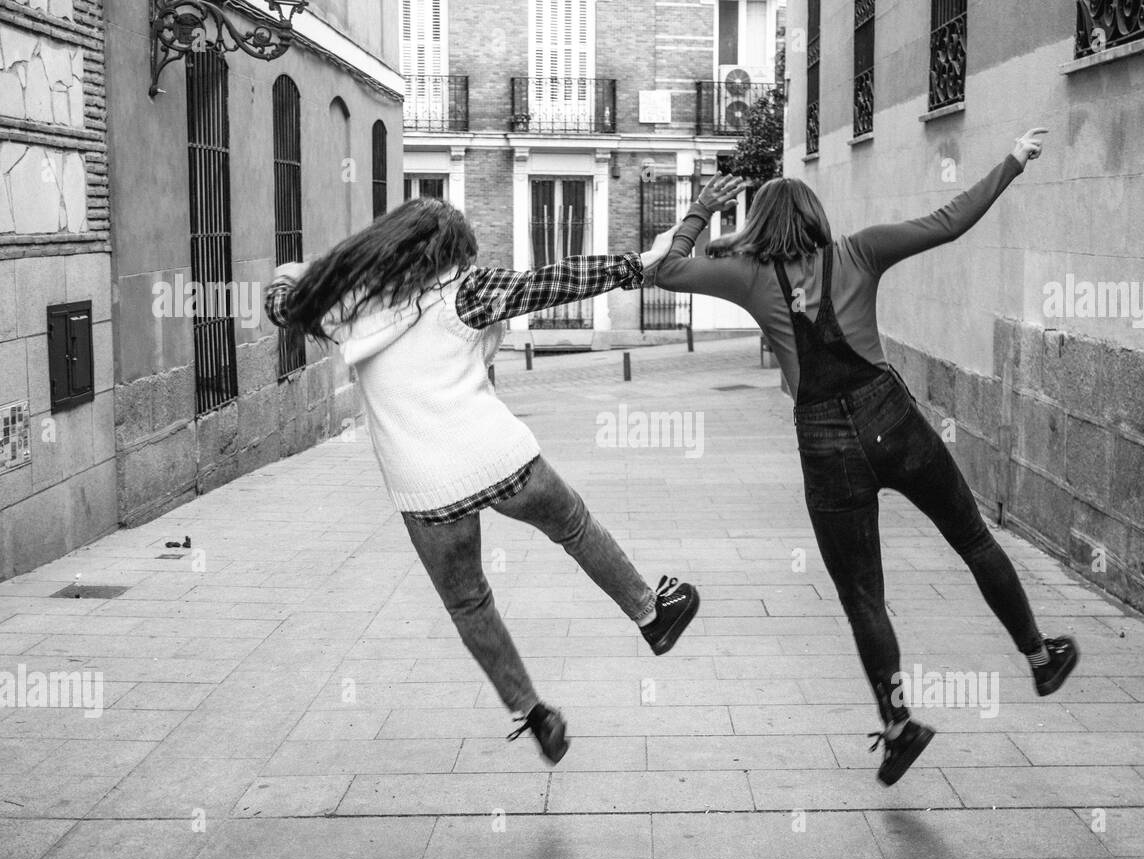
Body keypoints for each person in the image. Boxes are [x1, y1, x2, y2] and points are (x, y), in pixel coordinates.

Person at [649, 129, 1078, 786]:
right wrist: (1013, 162)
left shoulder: (749, 277)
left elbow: (665, 270)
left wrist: (704, 207)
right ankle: (1040, 654)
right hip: (892, 419)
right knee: (971, 538)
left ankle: (900, 725)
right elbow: (948, 221)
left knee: (862, 596)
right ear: (817, 217)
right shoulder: (860, 252)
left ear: (762, 225)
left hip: (825, 443)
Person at [263, 198, 700, 765]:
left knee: (469, 602)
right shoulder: (462, 290)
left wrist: (289, 277)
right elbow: (552, 282)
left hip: (423, 488)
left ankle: (531, 710)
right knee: (573, 524)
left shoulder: (348, 305)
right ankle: (650, 613)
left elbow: (282, 307)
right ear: (450, 252)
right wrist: (638, 263)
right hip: (497, 458)